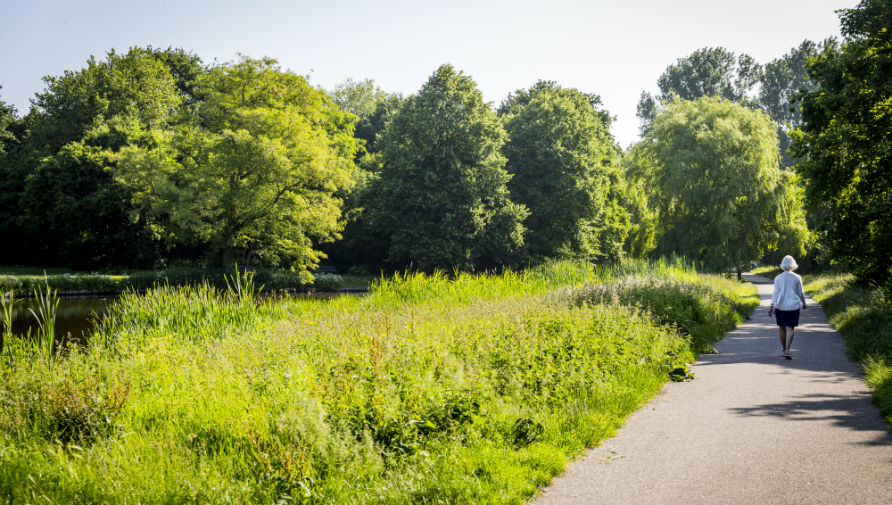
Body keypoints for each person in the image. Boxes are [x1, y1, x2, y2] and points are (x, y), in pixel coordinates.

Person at [768, 255, 807, 359]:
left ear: (782, 264)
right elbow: (800, 293)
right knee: (790, 328)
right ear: (793, 264)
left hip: (780, 306)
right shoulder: (797, 277)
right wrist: (804, 303)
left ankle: (783, 348)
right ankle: (787, 350)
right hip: (793, 306)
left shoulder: (778, 278)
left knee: (781, 327)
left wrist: (771, 305)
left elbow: (775, 293)